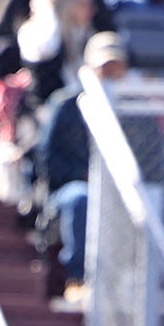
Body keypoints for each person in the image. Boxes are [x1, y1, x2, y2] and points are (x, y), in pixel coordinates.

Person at [36, 31, 128, 300]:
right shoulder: (65, 105)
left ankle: (131, 285)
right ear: (88, 69)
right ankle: (78, 280)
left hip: (119, 190)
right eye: (104, 68)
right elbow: (48, 161)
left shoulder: (133, 110)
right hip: (69, 192)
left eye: (116, 68)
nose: (109, 76)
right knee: (81, 198)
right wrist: (88, 176)